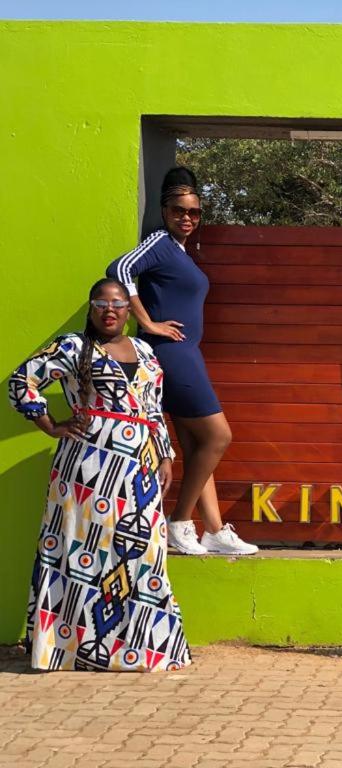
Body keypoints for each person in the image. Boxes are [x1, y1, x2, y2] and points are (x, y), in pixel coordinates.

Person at [8, 278, 191, 671]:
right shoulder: (73, 347)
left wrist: (165, 456)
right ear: (92, 309)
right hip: (87, 467)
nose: (110, 310)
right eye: (101, 303)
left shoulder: (144, 350)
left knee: (143, 553)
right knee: (83, 554)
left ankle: (141, 650)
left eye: (118, 303)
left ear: (128, 310)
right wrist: (49, 424)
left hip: (139, 467)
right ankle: (72, 650)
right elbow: (21, 382)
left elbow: (153, 408)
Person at [108, 167, 256, 556]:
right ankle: (179, 521)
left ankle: (215, 530)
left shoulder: (179, 251)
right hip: (172, 355)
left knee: (195, 446)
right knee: (218, 436)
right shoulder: (159, 241)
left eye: (194, 212)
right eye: (178, 211)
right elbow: (119, 269)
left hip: (186, 354)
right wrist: (146, 322)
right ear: (164, 210)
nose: (186, 218)